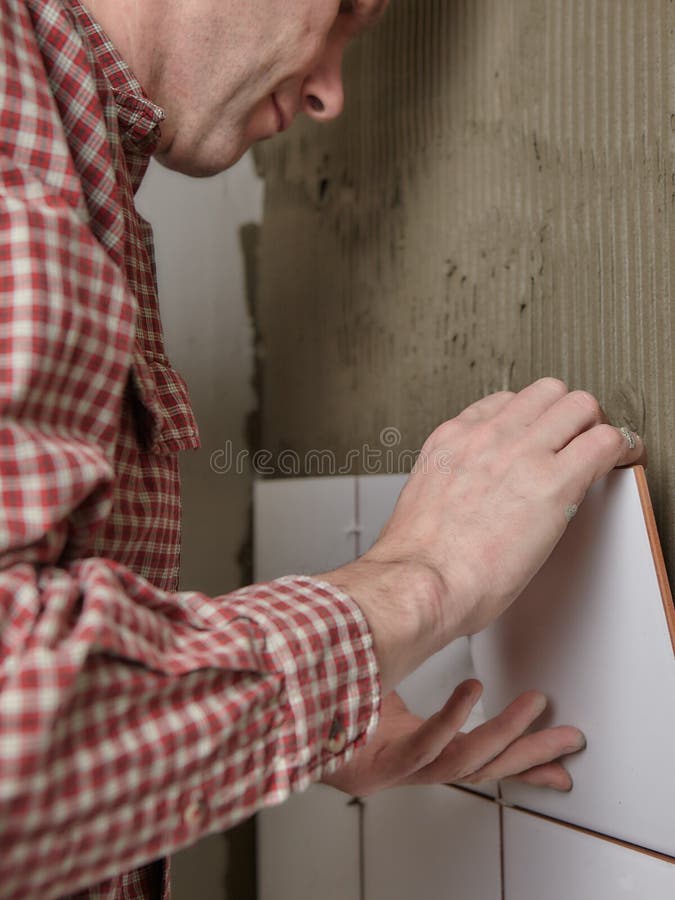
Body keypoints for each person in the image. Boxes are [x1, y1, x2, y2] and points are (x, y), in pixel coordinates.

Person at [0, 0, 644, 897]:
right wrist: (412, 585)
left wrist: (302, 706)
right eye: (342, 10)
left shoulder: (71, 165)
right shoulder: (18, 174)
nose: (332, 95)